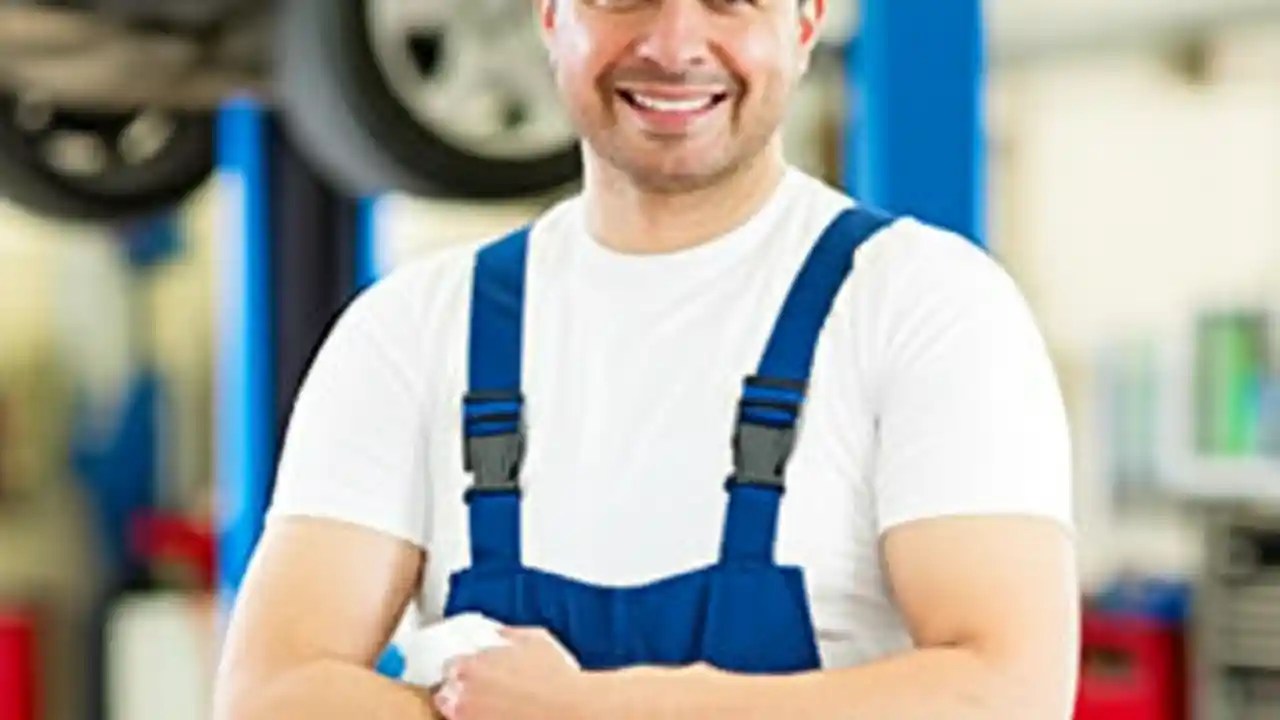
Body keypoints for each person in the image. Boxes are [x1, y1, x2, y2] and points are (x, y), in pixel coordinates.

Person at [213, 0, 1079, 718]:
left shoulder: (923, 303)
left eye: (730, 1)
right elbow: (273, 694)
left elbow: (1002, 692)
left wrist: (591, 708)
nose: (673, 43)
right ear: (549, 15)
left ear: (806, 21)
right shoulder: (415, 329)